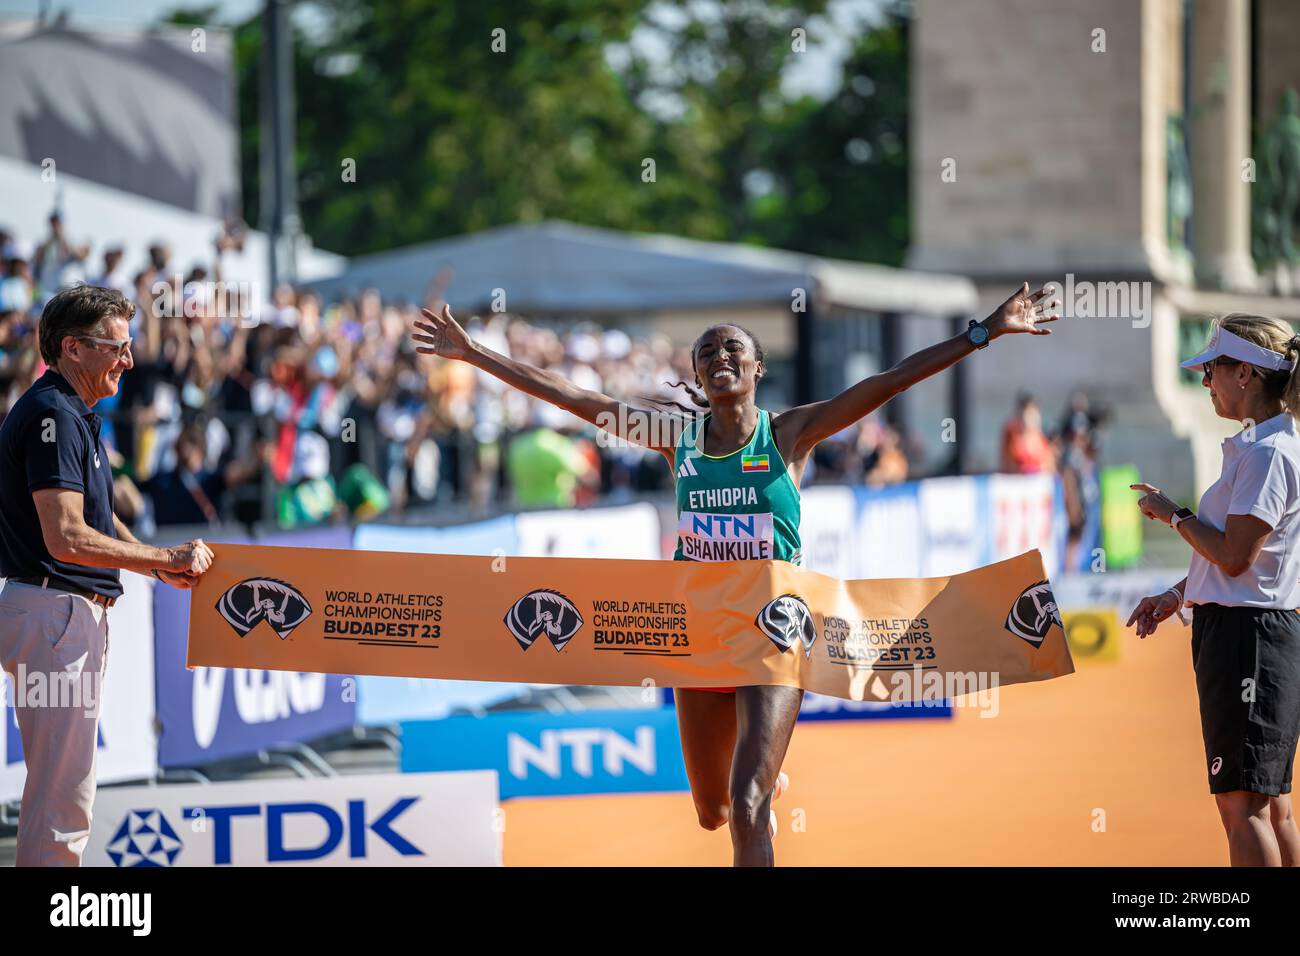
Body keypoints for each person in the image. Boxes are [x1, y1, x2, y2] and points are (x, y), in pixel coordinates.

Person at [412, 282, 1057, 866]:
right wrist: (475, 357)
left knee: (747, 808)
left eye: (732, 350)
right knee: (712, 812)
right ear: (696, 373)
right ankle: (763, 777)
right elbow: (576, 396)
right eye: (707, 353)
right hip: (695, 634)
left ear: (756, 368)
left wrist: (982, 332)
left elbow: (888, 380)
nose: (720, 357)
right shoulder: (676, 435)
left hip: (775, 631)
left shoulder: (790, 434)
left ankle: (762, 781)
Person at [0, 284, 214, 867]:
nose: (129, 359)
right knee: (62, 798)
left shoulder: (70, 412)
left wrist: (153, 561)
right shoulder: (54, 413)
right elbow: (65, 535)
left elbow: (98, 519)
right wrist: (161, 561)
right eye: (116, 346)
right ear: (72, 348)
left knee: (60, 792)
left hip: (54, 612)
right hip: (55, 613)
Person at [1127, 315, 1300, 867]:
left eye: (1210, 370)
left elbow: (1233, 555)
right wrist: (1178, 596)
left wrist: (1171, 513)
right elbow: (1240, 558)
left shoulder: (1268, 454)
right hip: (1257, 631)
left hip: (1248, 638)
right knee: (1272, 809)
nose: (1205, 382)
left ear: (1244, 373)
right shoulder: (1265, 447)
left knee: (1241, 808)